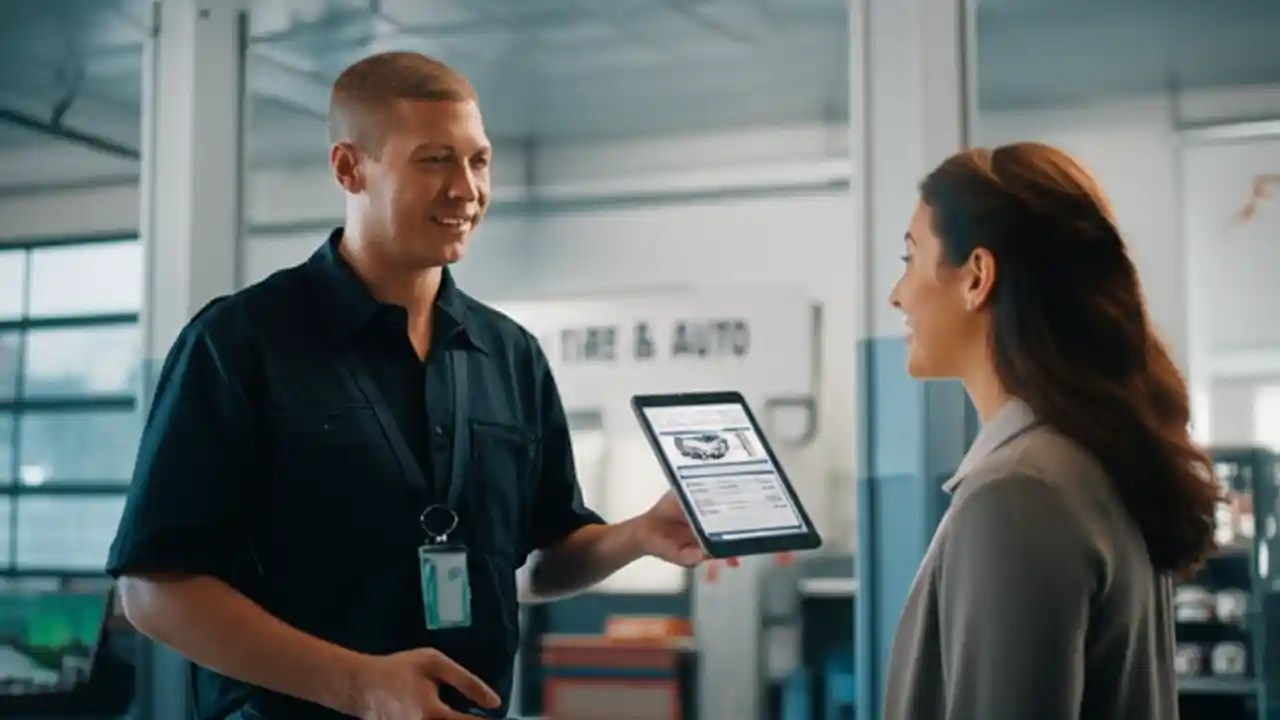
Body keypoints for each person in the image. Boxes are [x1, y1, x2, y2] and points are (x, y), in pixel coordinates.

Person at [106, 51, 713, 720]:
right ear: (349, 167)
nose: (466, 189)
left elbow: (534, 565)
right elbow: (156, 592)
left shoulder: (509, 355)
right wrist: (360, 685)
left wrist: (638, 535)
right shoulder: (240, 344)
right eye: (434, 161)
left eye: (478, 161)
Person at [882, 142, 1220, 719]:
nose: (897, 294)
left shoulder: (1016, 495)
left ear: (976, 277)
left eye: (910, 258)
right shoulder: (1093, 461)